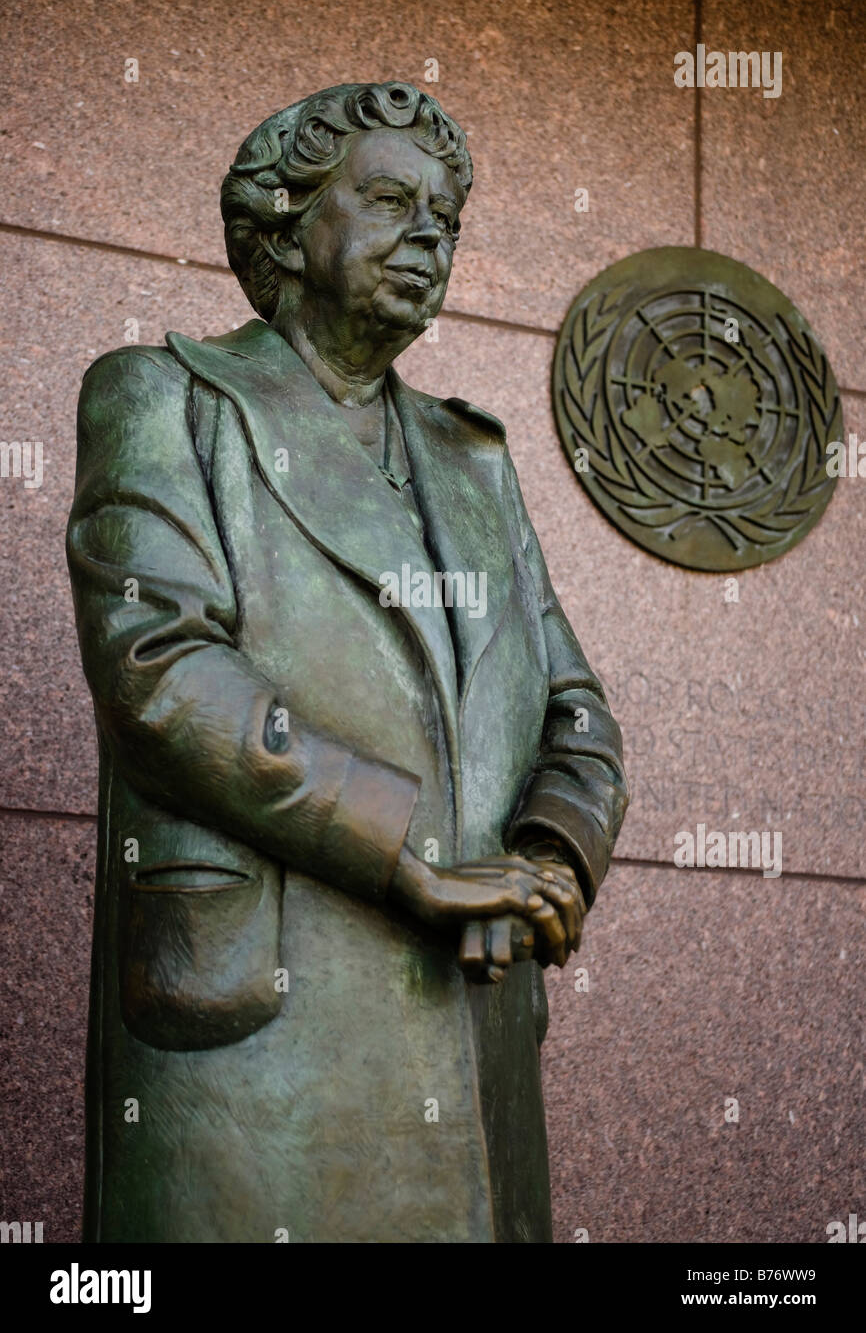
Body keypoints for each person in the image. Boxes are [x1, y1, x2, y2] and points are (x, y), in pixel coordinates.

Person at [67, 81, 628, 1243]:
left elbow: (573, 708)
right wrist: (407, 855)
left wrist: (549, 853)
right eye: (388, 201)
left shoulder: (474, 463)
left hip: (473, 1027)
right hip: (262, 1036)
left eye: (447, 218)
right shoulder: (164, 399)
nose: (429, 235)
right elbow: (158, 669)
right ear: (282, 218)